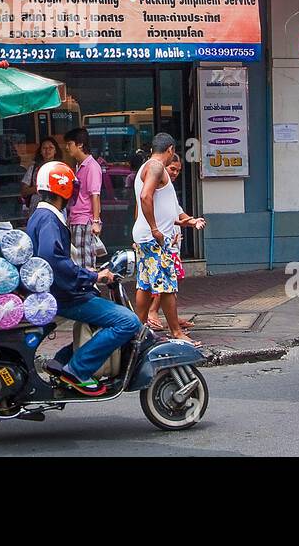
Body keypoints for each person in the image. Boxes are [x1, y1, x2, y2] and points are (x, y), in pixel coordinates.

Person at [23, 160, 141, 396]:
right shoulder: (49, 220)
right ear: (64, 190)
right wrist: (94, 276)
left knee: (101, 321)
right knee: (128, 322)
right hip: (64, 295)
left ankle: (61, 361)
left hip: (58, 291)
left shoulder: (41, 215)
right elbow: (54, 260)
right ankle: (77, 369)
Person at [131, 133, 196, 344]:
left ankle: (136, 331)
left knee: (145, 284)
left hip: (144, 236)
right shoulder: (156, 167)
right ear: (170, 150)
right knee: (167, 285)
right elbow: (145, 197)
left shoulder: (146, 166)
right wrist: (155, 229)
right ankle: (176, 332)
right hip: (154, 238)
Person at [148, 156, 205, 332]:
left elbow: (177, 213)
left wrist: (193, 221)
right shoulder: (154, 185)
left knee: (171, 282)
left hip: (172, 241)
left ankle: (170, 316)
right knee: (162, 282)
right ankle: (152, 315)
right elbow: (144, 207)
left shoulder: (168, 188)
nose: (175, 173)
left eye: (178, 170)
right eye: (172, 169)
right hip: (162, 242)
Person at [62, 128, 105, 270]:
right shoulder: (79, 166)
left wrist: (96, 222)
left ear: (80, 144)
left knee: (84, 264)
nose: (67, 147)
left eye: (69, 144)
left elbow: (95, 195)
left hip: (85, 220)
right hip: (75, 219)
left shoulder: (92, 166)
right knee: (76, 262)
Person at [20, 137, 61, 214]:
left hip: (56, 208)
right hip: (36, 208)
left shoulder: (61, 168)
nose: (47, 150)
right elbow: (24, 191)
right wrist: (36, 188)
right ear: (40, 151)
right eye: (44, 148)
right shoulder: (33, 168)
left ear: (55, 151)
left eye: (51, 148)